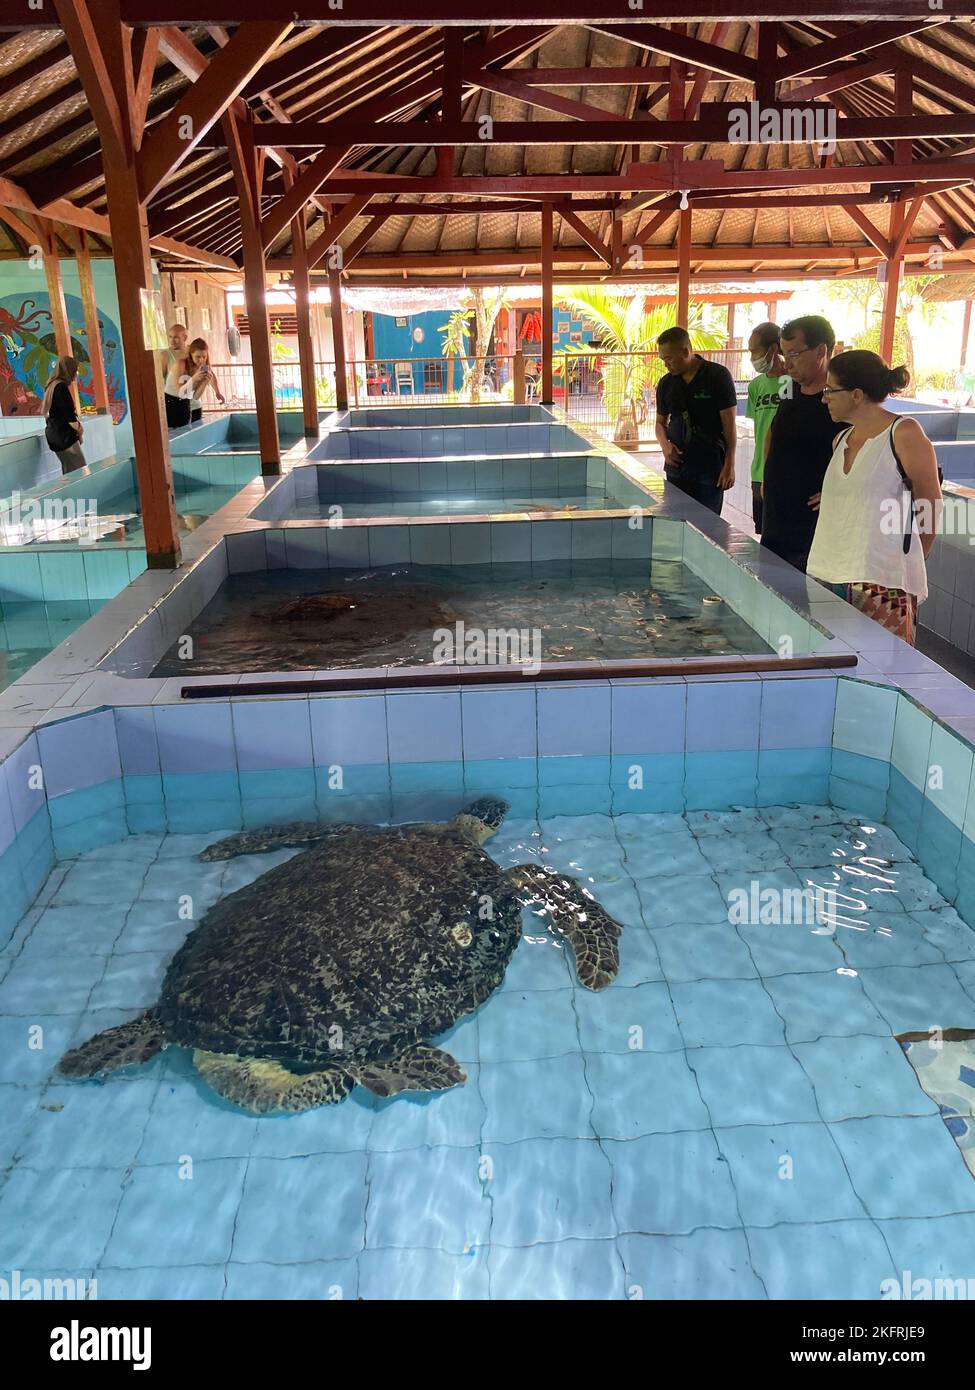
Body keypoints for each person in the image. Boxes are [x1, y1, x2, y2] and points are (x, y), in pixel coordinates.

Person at [807, 351, 941, 646]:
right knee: (834, 667)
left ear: (856, 394)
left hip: (882, 581)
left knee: (884, 674)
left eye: (830, 390)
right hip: (828, 571)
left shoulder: (903, 433)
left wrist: (911, 556)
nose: (824, 397)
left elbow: (930, 502)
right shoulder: (840, 440)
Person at [761, 314, 843, 572]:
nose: (788, 365)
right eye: (785, 355)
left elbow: (865, 451)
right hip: (776, 517)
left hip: (812, 523)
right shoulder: (789, 388)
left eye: (795, 354)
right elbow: (774, 432)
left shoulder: (841, 400)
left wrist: (839, 492)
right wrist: (766, 476)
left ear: (821, 351)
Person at [654, 326, 737, 515]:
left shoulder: (717, 376)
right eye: (663, 360)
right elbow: (660, 423)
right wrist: (665, 445)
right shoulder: (667, 383)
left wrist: (729, 464)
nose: (666, 364)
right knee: (677, 520)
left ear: (685, 351)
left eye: (669, 358)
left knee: (707, 524)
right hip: (677, 466)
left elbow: (729, 426)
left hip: (709, 465)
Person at [745, 322, 787, 534]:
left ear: (772, 349)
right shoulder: (756, 386)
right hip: (759, 471)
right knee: (763, 532)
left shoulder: (791, 382)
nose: (752, 357)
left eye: (755, 351)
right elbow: (760, 429)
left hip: (783, 472)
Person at [164, 336, 226, 428]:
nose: (201, 360)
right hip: (170, 401)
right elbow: (180, 392)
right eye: (197, 357)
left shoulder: (202, 366)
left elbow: (195, 397)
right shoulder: (180, 364)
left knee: (185, 433)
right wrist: (194, 379)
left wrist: (215, 390)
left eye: (204, 357)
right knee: (173, 435)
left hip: (185, 402)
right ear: (191, 355)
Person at [42, 356, 86, 474]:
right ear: (68, 370)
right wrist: (80, 430)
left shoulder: (50, 386)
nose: (76, 374)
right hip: (65, 437)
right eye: (75, 370)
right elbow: (70, 419)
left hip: (54, 436)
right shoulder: (60, 387)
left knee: (68, 472)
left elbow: (48, 414)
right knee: (82, 472)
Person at [162, 322, 190, 429]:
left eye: (176, 337)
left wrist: (217, 391)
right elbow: (161, 380)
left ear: (185, 337)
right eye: (170, 337)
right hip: (173, 401)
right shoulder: (165, 355)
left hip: (193, 403)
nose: (172, 341)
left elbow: (207, 369)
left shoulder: (191, 352)